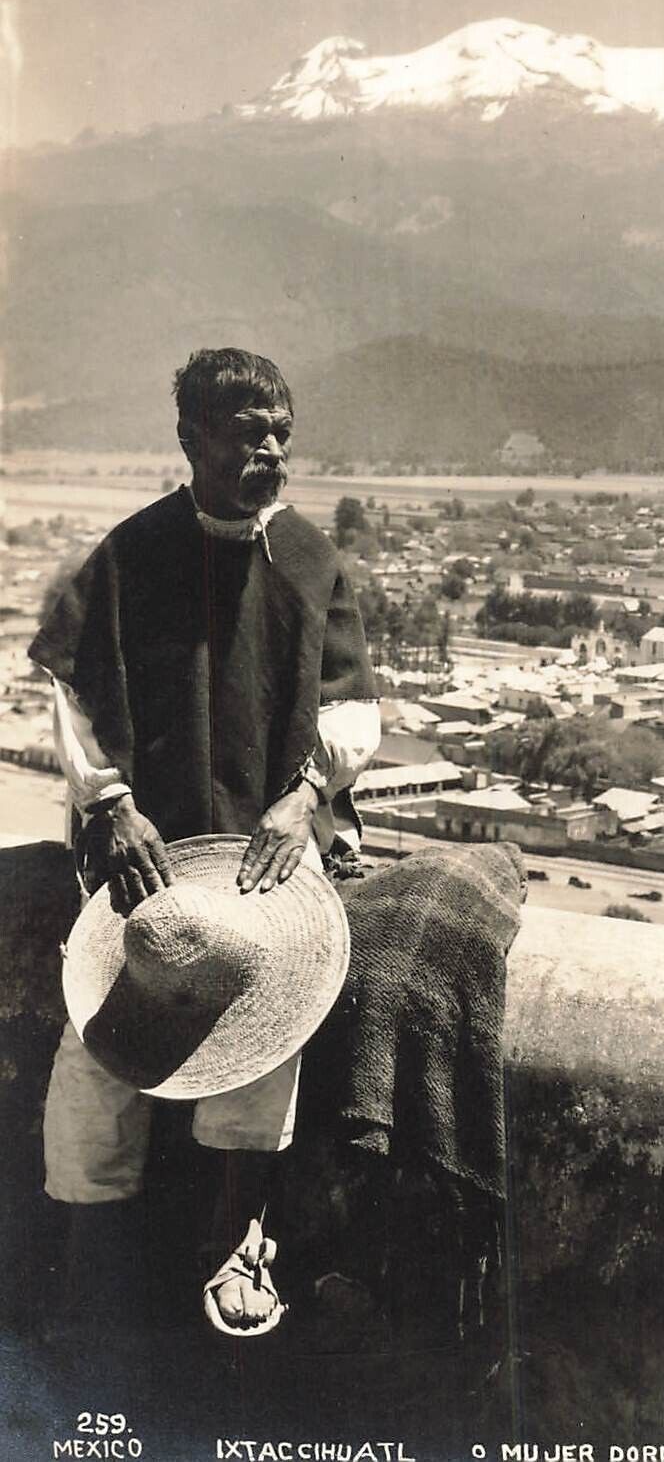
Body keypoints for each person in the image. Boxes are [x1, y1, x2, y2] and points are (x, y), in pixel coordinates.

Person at [29, 347, 380, 1334]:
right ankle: (89, 1259)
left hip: (264, 838)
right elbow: (76, 688)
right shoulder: (130, 552)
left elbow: (354, 707)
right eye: (245, 433)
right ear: (191, 440)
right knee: (102, 1034)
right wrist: (111, 804)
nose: (268, 450)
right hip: (148, 839)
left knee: (271, 1010)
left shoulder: (311, 559)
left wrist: (303, 795)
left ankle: (237, 1236)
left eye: (280, 432)